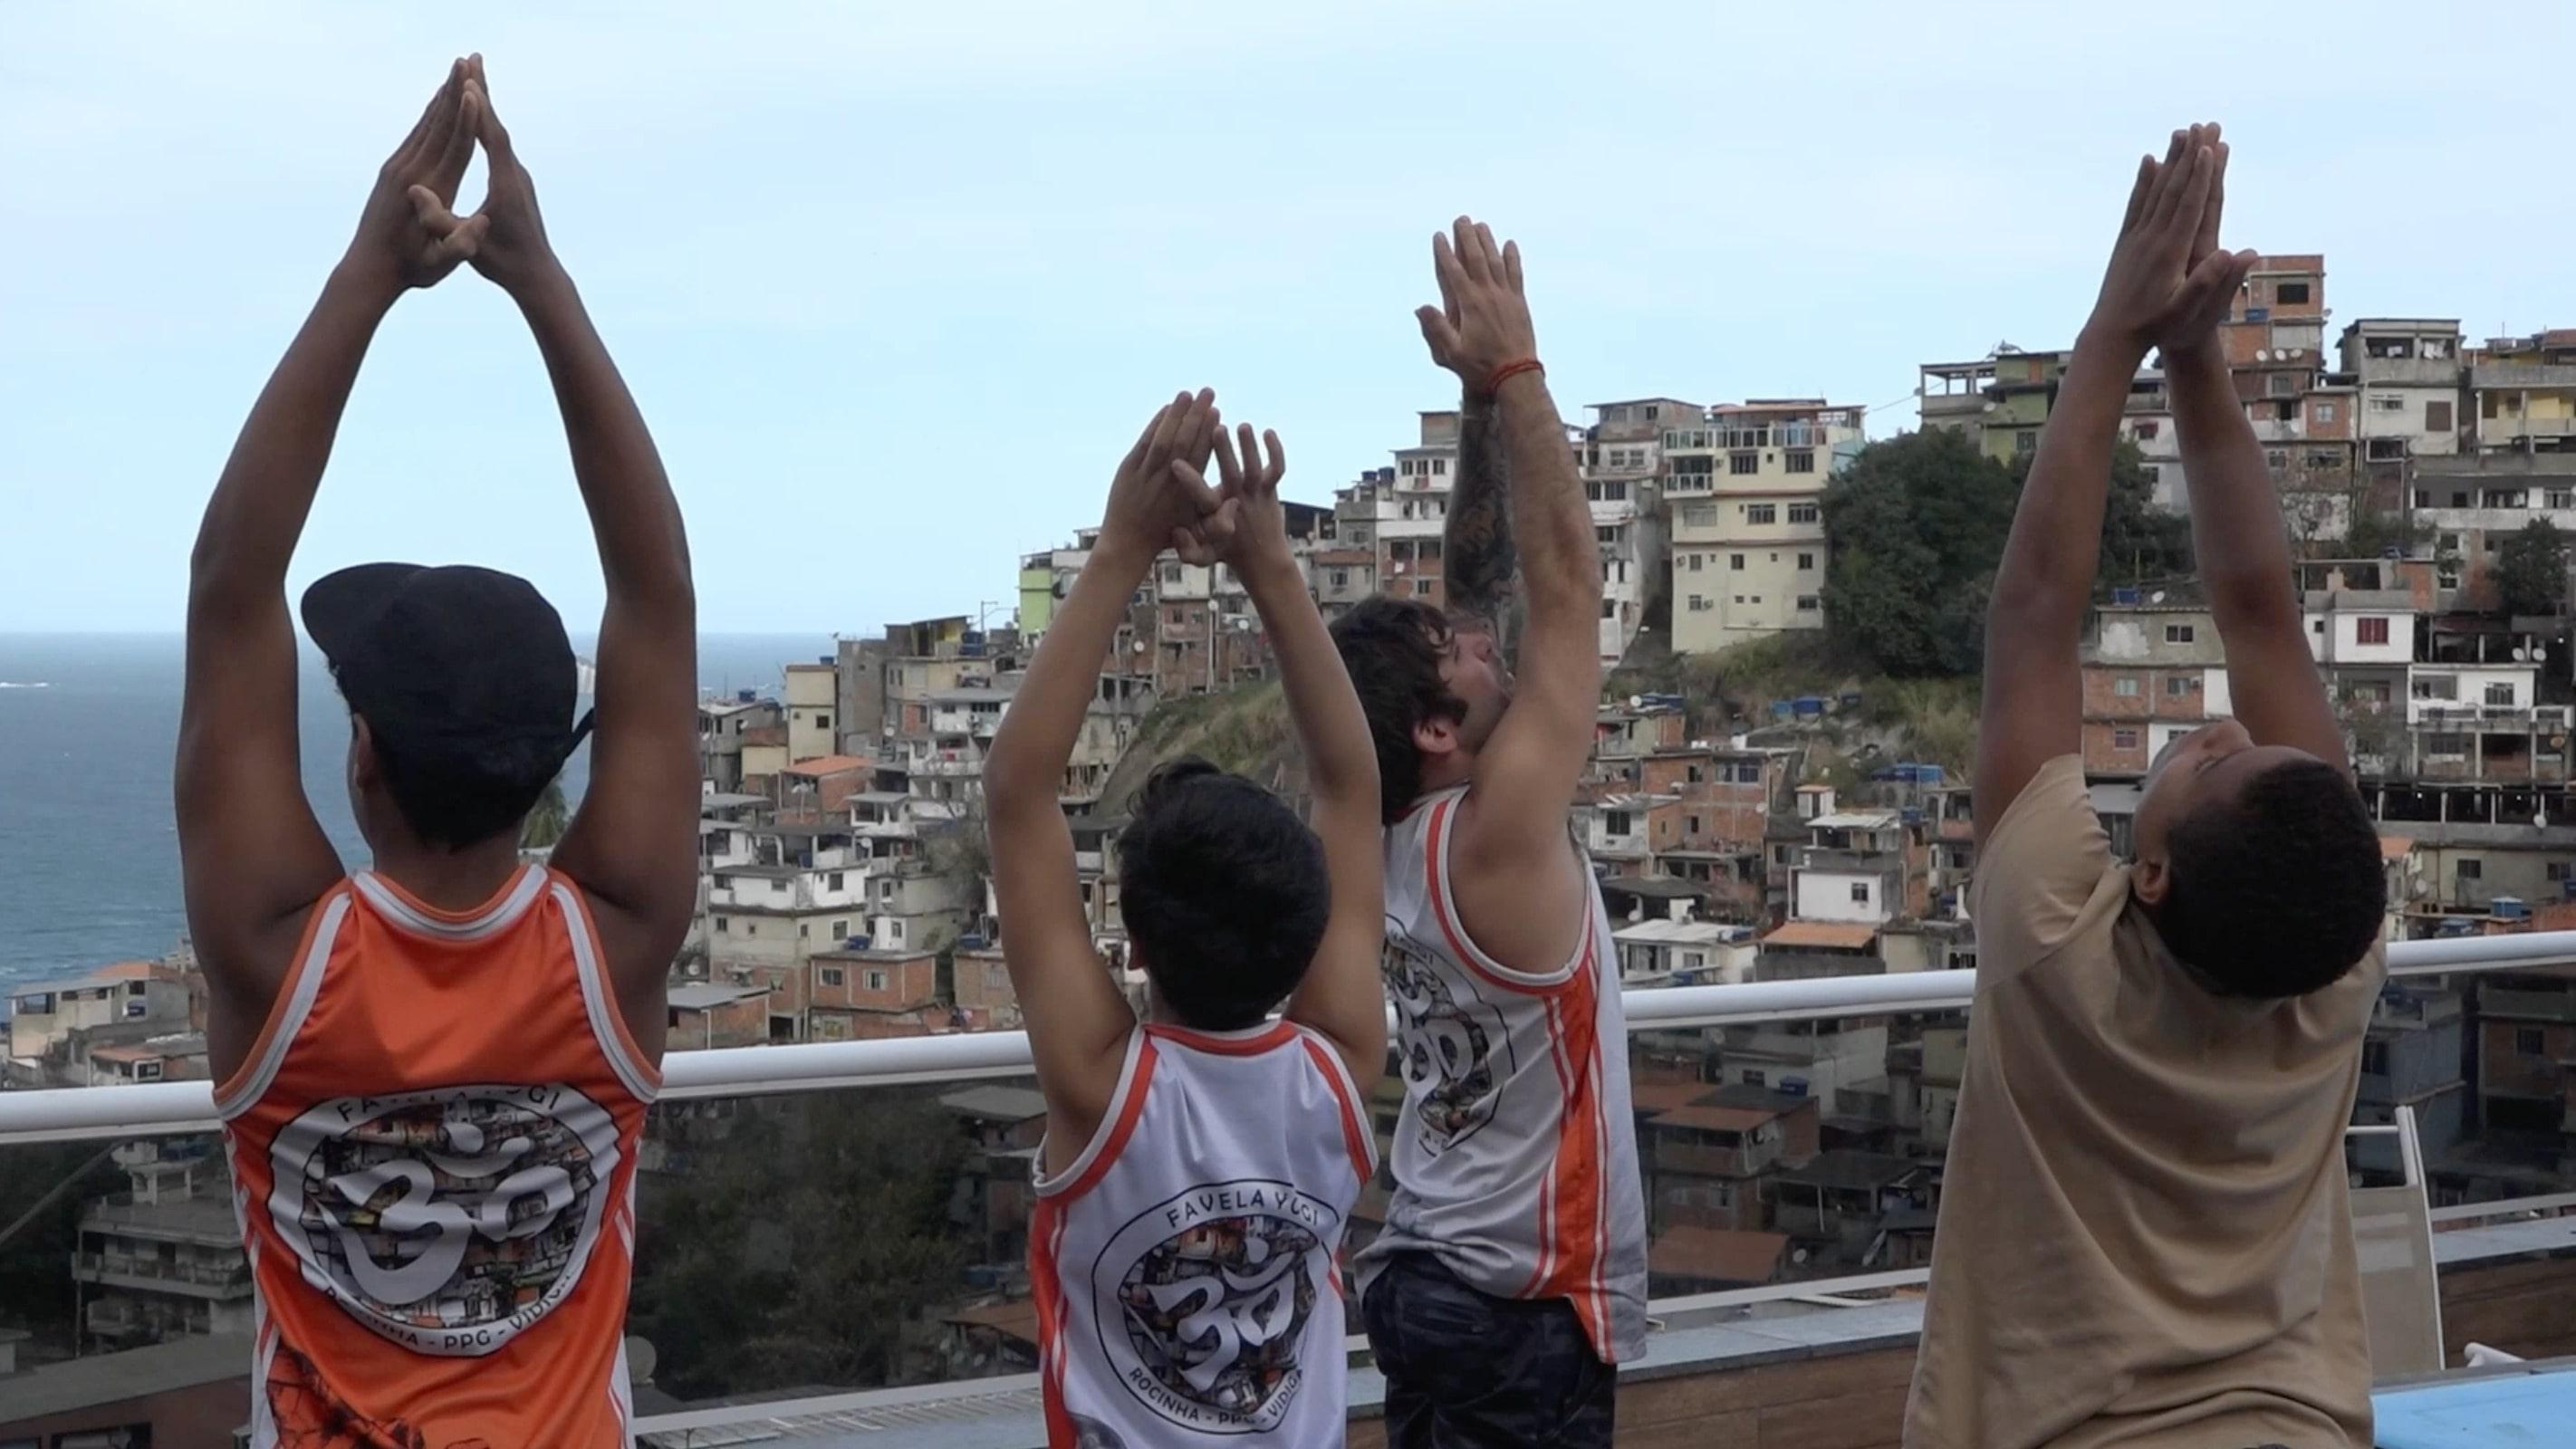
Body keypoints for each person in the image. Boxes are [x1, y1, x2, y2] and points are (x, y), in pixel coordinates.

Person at [179, 58, 699, 1447]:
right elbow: (657, 596)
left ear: (361, 755)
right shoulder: (619, 941)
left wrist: (370, 272)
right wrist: (544, 286)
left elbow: (232, 588)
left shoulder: (276, 959)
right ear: (547, 777)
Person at [1905, 126, 2389, 1449]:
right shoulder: (2327, 969)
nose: (2223, 726)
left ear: (2155, 874)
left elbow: (2034, 615)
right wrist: (2192, 358)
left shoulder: (2058, 937)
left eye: (2216, 760)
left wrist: (2117, 334)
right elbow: (2262, 616)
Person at [985, 390, 1389, 1448]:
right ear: (1311, 934)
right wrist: (1272, 566)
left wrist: (1121, 548)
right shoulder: (1341, 1065)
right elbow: (1352, 786)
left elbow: (1019, 789)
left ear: (1132, 941)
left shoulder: (1102, 1086)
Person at [1331, 219, 1647, 1447]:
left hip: (1426, 1268)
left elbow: (1485, 583)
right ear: (1436, 730)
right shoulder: (1498, 833)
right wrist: (1519, 370)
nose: (1479, 637)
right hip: (1521, 1302)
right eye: (1454, 653)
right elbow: (1566, 584)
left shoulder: (1393, 837)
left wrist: (1472, 406)